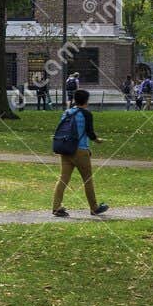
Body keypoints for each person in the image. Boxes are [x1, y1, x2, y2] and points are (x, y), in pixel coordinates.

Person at [52, 89, 109, 218]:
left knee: (63, 179)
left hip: (65, 149)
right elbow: (90, 133)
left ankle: (56, 207)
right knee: (87, 180)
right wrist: (97, 140)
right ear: (86, 101)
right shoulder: (86, 114)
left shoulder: (67, 112)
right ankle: (94, 207)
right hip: (81, 151)